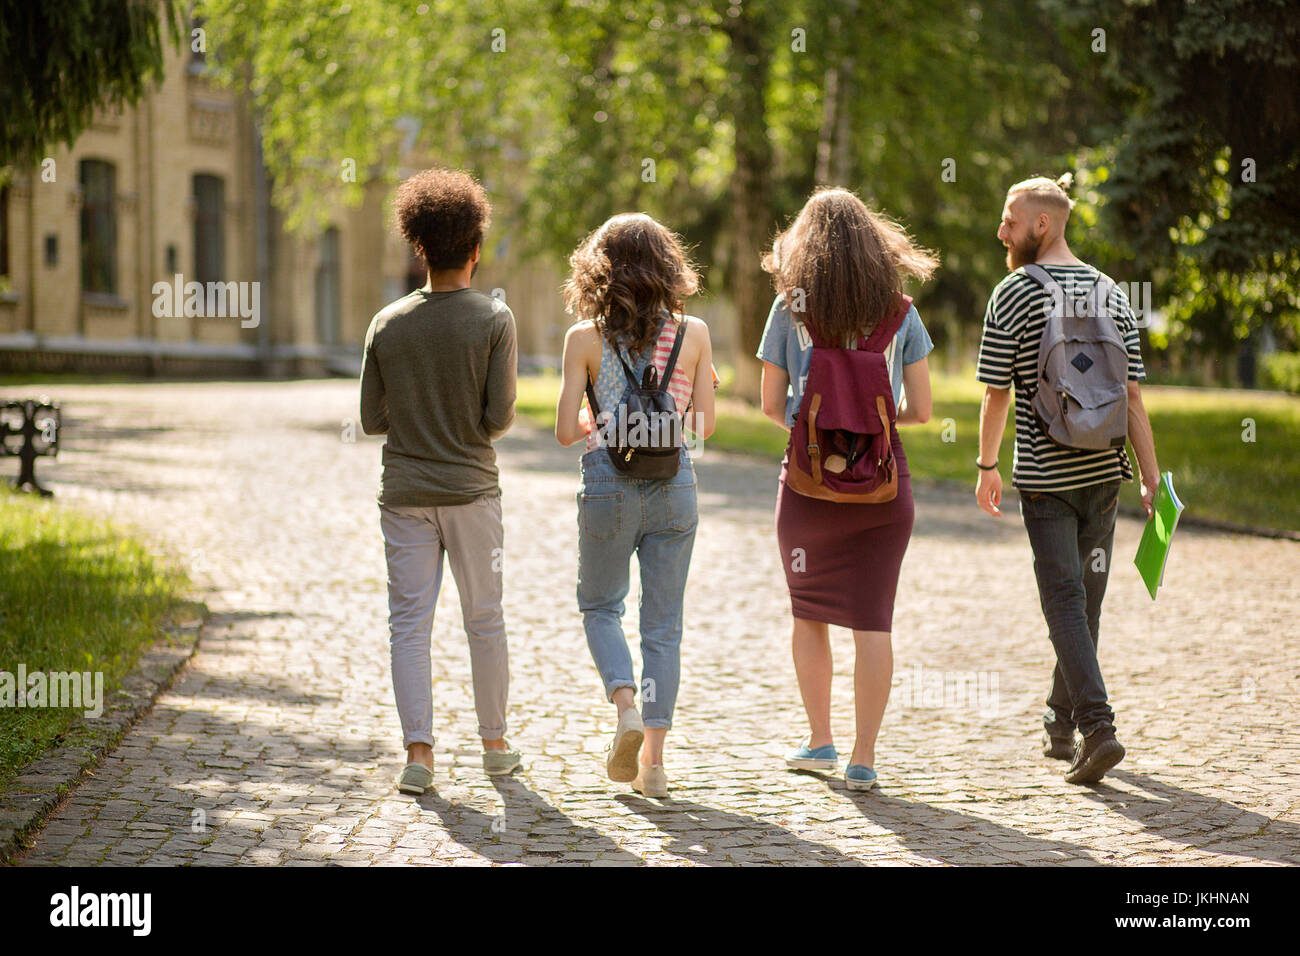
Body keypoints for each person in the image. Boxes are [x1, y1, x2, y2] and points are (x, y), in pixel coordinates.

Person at [974, 173, 1160, 785]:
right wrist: (1152, 473)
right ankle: (1060, 719)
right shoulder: (1112, 292)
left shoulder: (1013, 293)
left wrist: (987, 465)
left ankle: (1098, 729)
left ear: (1041, 225)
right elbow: (1131, 394)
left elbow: (996, 394)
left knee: (1063, 601)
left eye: (1009, 219)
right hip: (1105, 471)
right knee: (1086, 600)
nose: (1001, 230)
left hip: (1048, 478)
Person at [758, 187, 938, 791]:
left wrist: (819, 423)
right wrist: (868, 418)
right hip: (884, 489)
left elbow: (768, 404)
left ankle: (820, 741)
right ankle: (864, 759)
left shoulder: (790, 308)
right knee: (873, 622)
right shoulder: (901, 313)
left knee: (808, 614)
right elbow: (919, 410)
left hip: (809, 488)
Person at [360, 167, 520, 796]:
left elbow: (373, 420)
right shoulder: (494, 320)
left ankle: (419, 754)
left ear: (417, 246)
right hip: (473, 493)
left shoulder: (386, 323)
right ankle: (495, 746)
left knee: (409, 623)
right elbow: (499, 418)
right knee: (484, 618)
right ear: (476, 248)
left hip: (404, 495)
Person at [554, 213, 716, 799]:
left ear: (597, 268)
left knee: (600, 606)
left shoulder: (584, 338)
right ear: (668, 264)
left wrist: (606, 418)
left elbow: (564, 432)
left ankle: (623, 702)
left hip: (606, 485)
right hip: (675, 485)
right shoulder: (693, 333)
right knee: (663, 628)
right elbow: (703, 425)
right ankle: (653, 766)